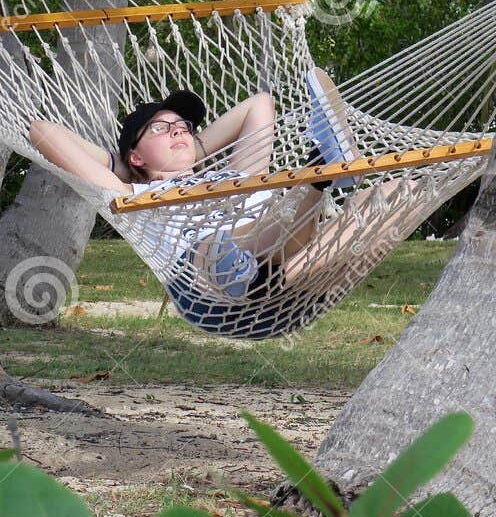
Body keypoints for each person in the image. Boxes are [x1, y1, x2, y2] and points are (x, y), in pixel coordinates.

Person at [28, 69, 416, 337]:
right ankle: (321, 171)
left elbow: (259, 104)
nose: (178, 131)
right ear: (136, 156)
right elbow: (42, 132)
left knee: (396, 191)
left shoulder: (231, 179)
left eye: (184, 128)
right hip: (212, 295)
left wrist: (190, 151)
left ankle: (321, 175)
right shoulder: (131, 195)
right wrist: (122, 166)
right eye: (161, 129)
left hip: (292, 280)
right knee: (216, 243)